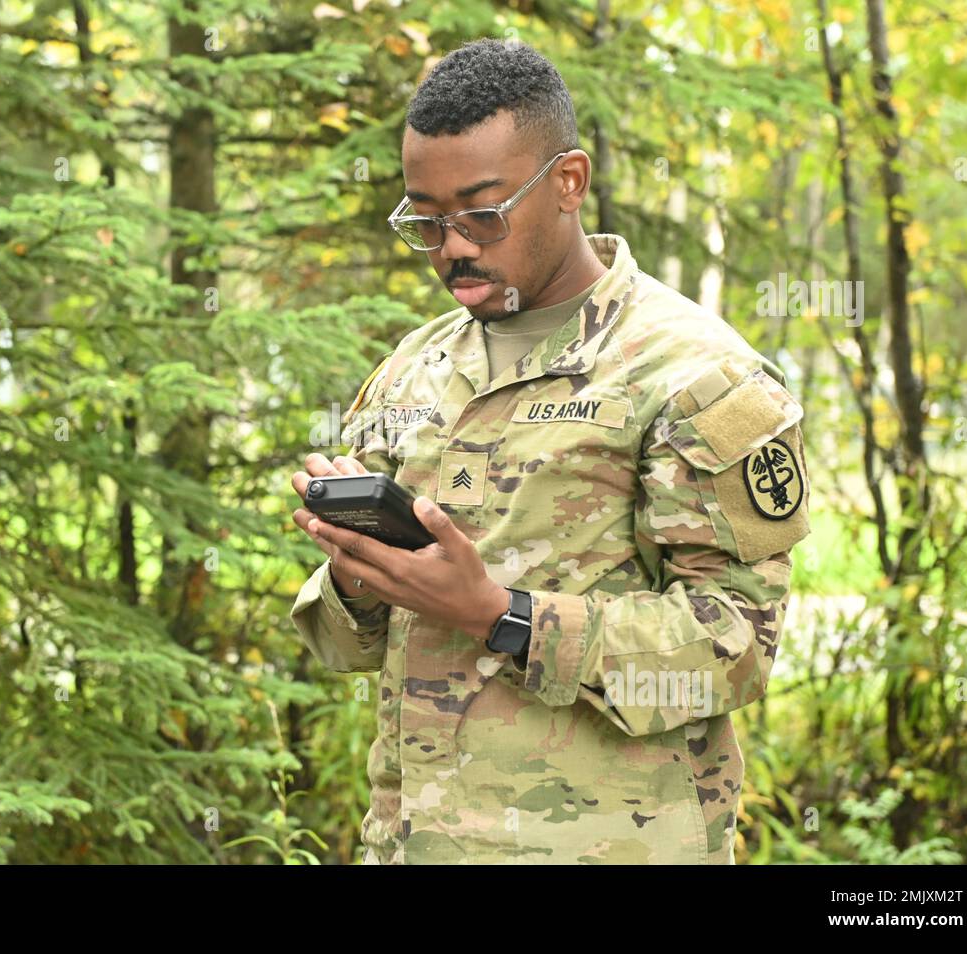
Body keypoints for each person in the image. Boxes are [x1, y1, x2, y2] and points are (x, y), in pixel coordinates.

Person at [288, 38, 810, 864]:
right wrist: (357, 571)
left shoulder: (699, 378)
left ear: (569, 182)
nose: (452, 247)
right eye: (424, 221)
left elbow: (733, 650)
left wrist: (501, 617)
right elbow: (348, 647)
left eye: (481, 214)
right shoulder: (417, 367)